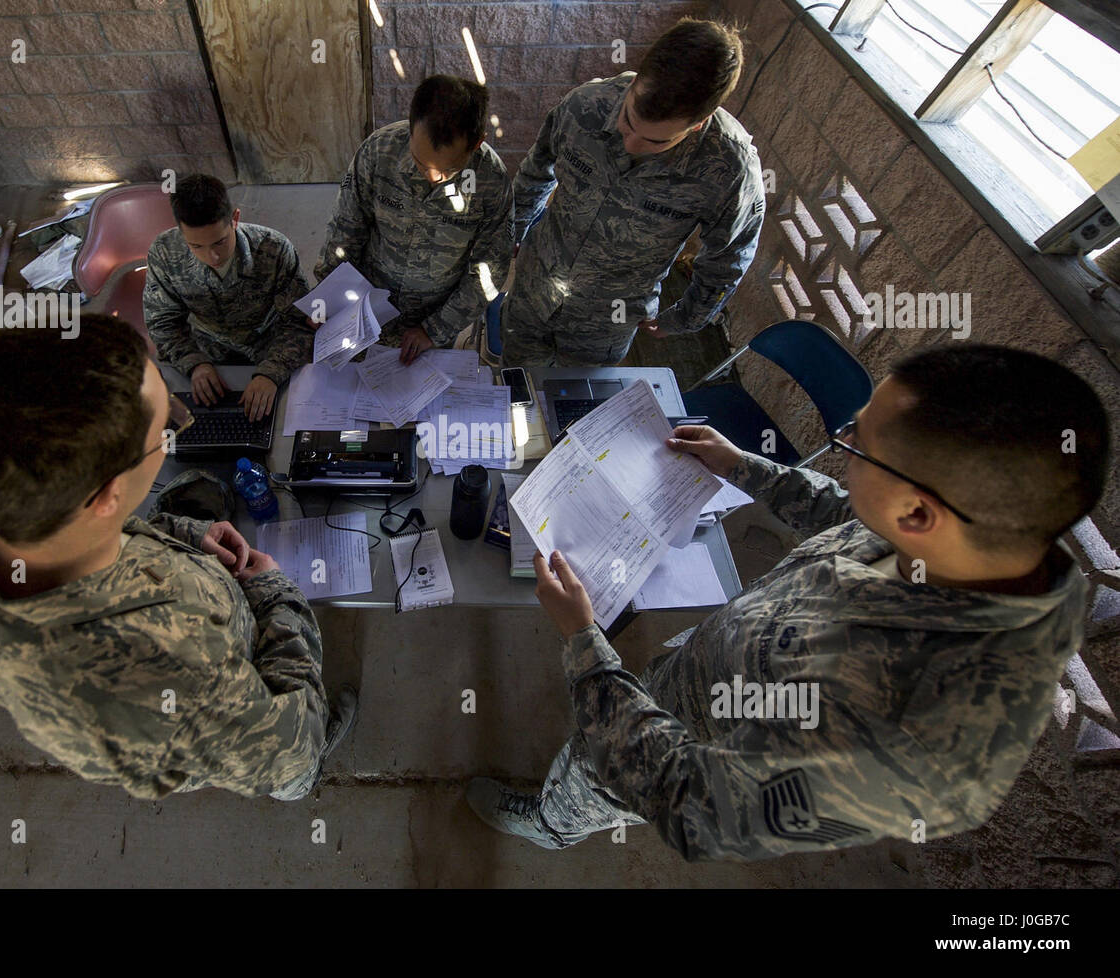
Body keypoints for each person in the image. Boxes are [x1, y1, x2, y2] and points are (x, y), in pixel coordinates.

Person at [467, 343, 1109, 859]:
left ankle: (555, 820)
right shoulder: (961, 534)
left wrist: (584, 645)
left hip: (674, 747)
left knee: (597, 776)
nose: (842, 438)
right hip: (701, 672)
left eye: (858, 443)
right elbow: (843, 517)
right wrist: (746, 467)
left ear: (918, 510)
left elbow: (695, 808)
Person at [0, 315, 356, 801]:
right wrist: (274, 595)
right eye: (168, 425)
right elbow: (284, 751)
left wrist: (185, 535)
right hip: (253, 717)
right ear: (107, 495)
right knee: (300, 765)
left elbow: (99, 534)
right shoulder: (170, 668)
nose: (177, 425)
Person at [503, 16, 765, 366]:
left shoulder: (729, 168)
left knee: (578, 407)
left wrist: (683, 318)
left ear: (697, 124)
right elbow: (536, 172)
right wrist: (515, 231)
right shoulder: (585, 106)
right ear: (636, 82)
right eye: (627, 120)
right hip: (533, 290)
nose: (630, 142)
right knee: (517, 389)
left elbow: (730, 257)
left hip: (607, 321)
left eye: (656, 141)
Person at [316, 74, 513, 364]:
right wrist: (328, 298)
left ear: (476, 143)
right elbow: (345, 233)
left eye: (447, 171)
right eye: (421, 163)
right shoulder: (378, 152)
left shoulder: (491, 181)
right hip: (365, 307)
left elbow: (488, 271)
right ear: (410, 128)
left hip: (434, 319)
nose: (431, 177)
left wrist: (434, 329)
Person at [143, 173, 315, 419]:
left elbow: (299, 321)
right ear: (181, 233)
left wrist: (271, 372)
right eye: (196, 246)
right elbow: (163, 322)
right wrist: (195, 364)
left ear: (235, 219)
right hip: (207, 348)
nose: (212, 257)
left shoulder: (273, 248)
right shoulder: (164, 253)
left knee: (285, 419)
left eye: (219, 242)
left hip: (269, 342)